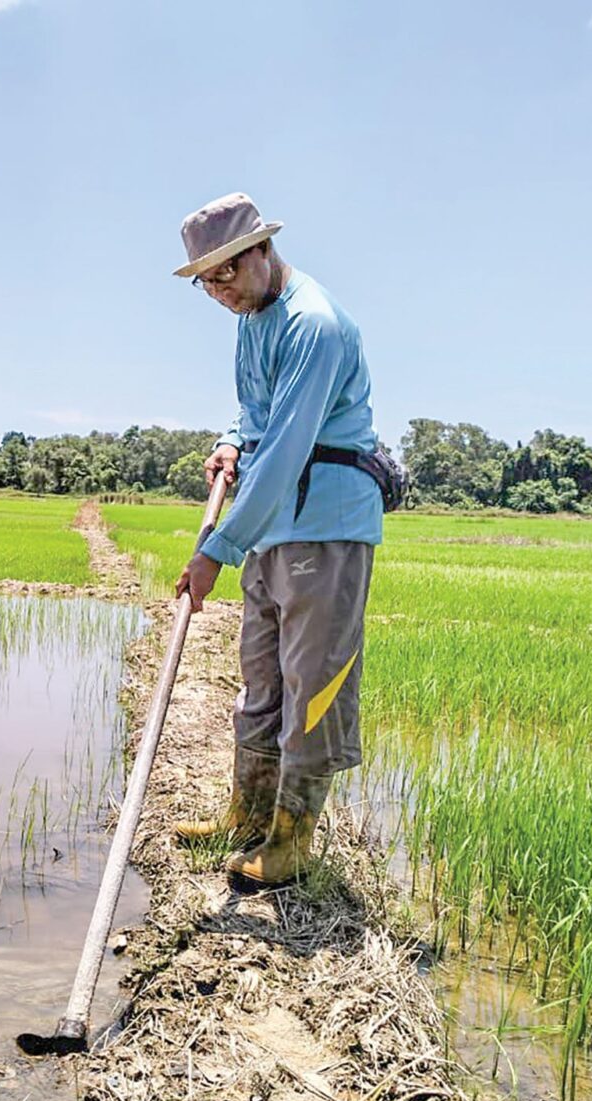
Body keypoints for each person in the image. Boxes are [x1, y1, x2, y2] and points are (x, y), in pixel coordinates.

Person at [170, 192, 384, 888]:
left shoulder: (313, 326)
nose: (219, 291)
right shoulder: (251, 320)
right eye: (206, 282)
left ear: (262, 250)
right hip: (272, 528)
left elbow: (289, 447)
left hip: (325, 527)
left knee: (311, 686)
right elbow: (256, 411)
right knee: (260, 680)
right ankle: (246, 814)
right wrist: (232, 442)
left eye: (228, 273)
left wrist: (214, 551)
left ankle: (290, 841)